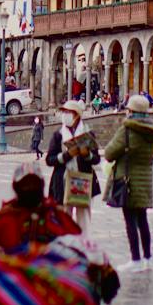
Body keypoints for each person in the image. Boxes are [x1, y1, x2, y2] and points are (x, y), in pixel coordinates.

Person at [102, 93, 153, 268]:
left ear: (131, 111)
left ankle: (135, 259)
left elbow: (109, 153)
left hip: (127, 180)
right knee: (142, 219)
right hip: (145, 180)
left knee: (130, 221)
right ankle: (148, 257)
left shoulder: (127, 130)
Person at [0, 163, 80, 255]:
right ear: (16, 187)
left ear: (41, 185)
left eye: (34, 184)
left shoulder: (56, 215)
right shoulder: (4, 218)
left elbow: (79, 246)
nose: (30, 188)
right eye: (25, 185)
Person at [45, 99, 100, 231]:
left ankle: (83, 244)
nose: (65, 115)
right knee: (64, 216)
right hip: (63, 181)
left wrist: (86, 154)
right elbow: (49, 160)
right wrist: (67, 155)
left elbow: (96, 159)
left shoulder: (87, 134)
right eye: (64, 112)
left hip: (82, 179)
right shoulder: (58, 135)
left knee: (83, 218)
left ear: (76, 115)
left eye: (69, 112)